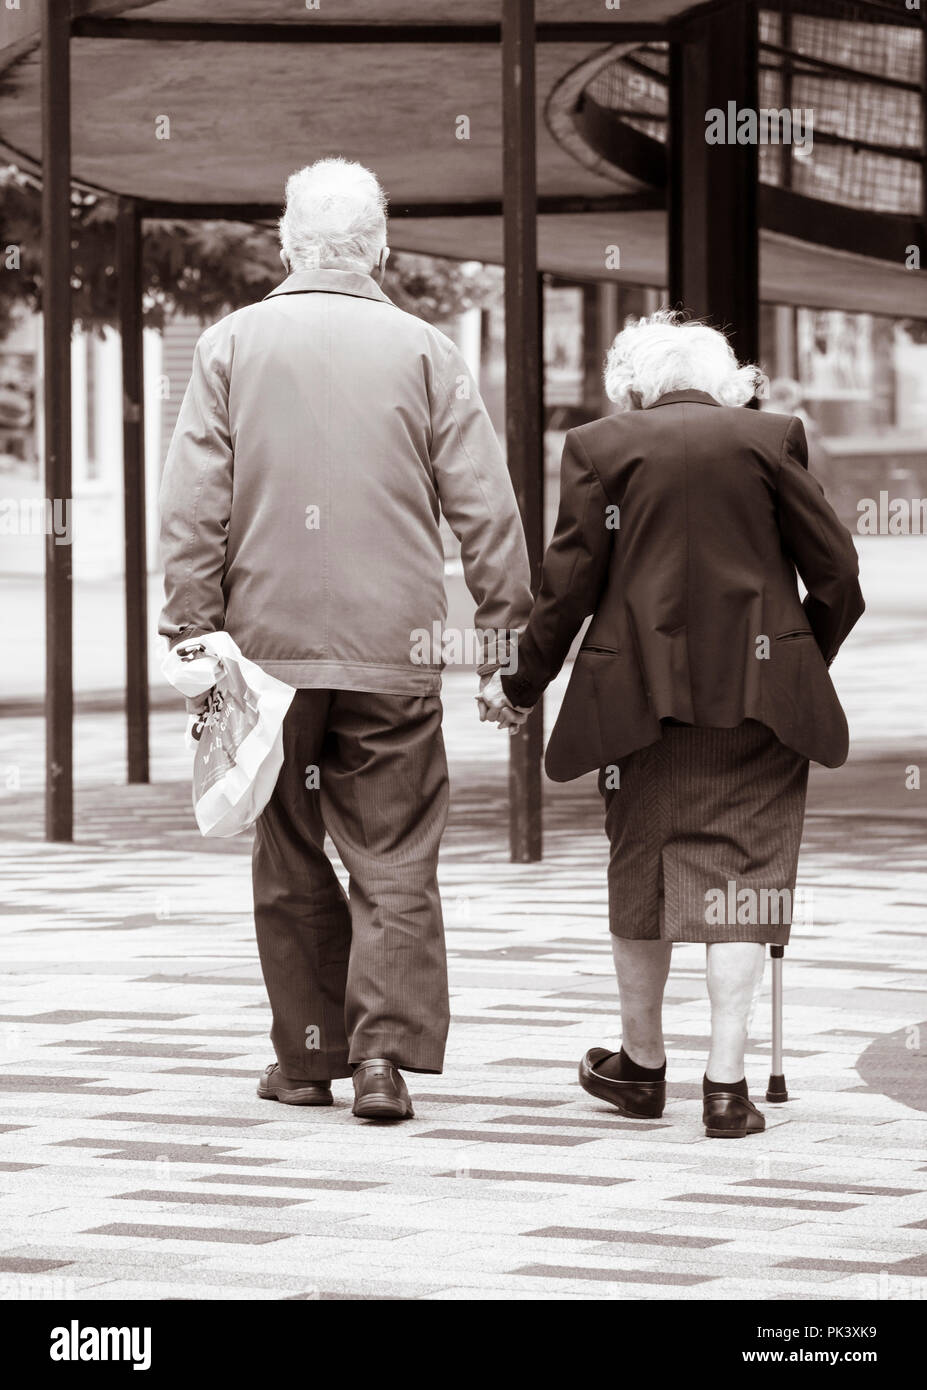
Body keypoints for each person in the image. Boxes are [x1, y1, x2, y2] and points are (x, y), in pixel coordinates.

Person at [159, 158, 532, 1121]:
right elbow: (485, 507)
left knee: (286, 847)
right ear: (380, 248)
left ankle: (306, 1061)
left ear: (287, 245)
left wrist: (192, 624)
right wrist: (501, 641)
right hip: (395, 646)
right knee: (397, 851)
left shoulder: (231, 345)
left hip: (267, 652)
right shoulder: (425, 349)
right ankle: (384, 1061)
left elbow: (195, 502)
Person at [483, 309, 864, 1138]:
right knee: (742, 884)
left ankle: (641, 1065)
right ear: (726, 381)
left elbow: (567, 589)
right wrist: (797, 658)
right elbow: (837, 574)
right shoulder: (771, 439)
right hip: (763, 703)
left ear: (634, 385)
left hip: (635, 707)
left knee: (644, 873)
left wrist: (520, 685)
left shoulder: (598, 446)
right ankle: (726, 1089)